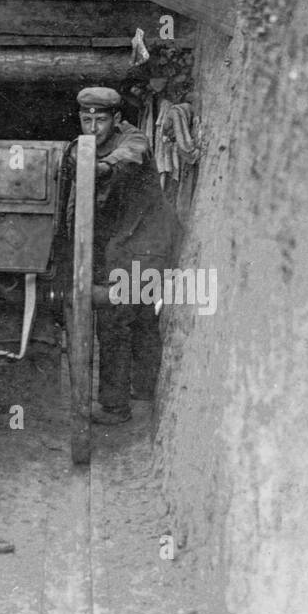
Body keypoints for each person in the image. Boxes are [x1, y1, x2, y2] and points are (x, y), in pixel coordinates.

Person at [64, 87, 179, 424]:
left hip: (148, 238)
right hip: (123, 240)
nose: (93, 127)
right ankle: (144, 389)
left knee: (117, 315)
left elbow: (131, 155)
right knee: (138, 315)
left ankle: (115, 406)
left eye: (100, 120)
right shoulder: (82, 146)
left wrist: (101, 167)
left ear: (116, 119)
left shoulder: (133, 139)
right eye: (86, 119)